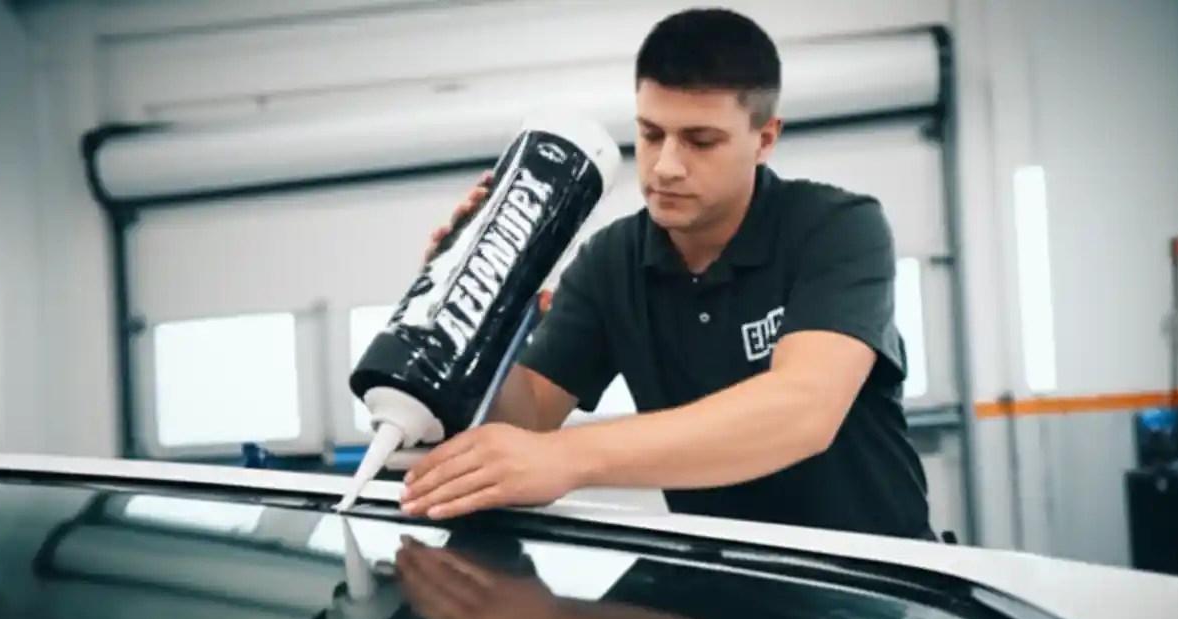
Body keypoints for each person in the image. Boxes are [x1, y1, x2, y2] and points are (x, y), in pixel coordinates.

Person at [400, 7, 934, 540]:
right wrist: (483, 313)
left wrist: (568, 458)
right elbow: (525, 421)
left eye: (700, 141)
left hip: (882, 581)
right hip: (725, 588)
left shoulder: (836, 228)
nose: (665, 166)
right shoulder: (610, 263)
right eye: (652, 134)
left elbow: (802, 411)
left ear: (765, 138)